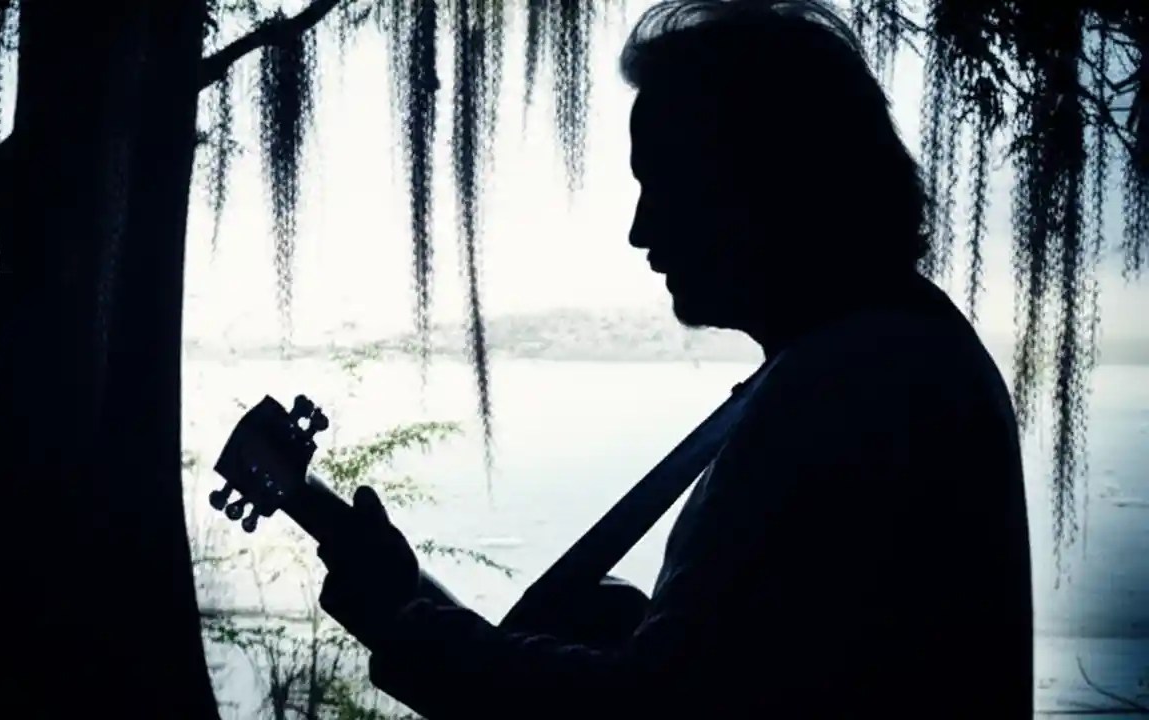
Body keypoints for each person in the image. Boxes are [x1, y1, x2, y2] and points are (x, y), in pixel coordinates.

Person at [316, 1, 1034, 717]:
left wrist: (400, 623)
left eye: (665, 183)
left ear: (768, 183)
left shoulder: (845, 392)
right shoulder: (900, 353)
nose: (640, 229)